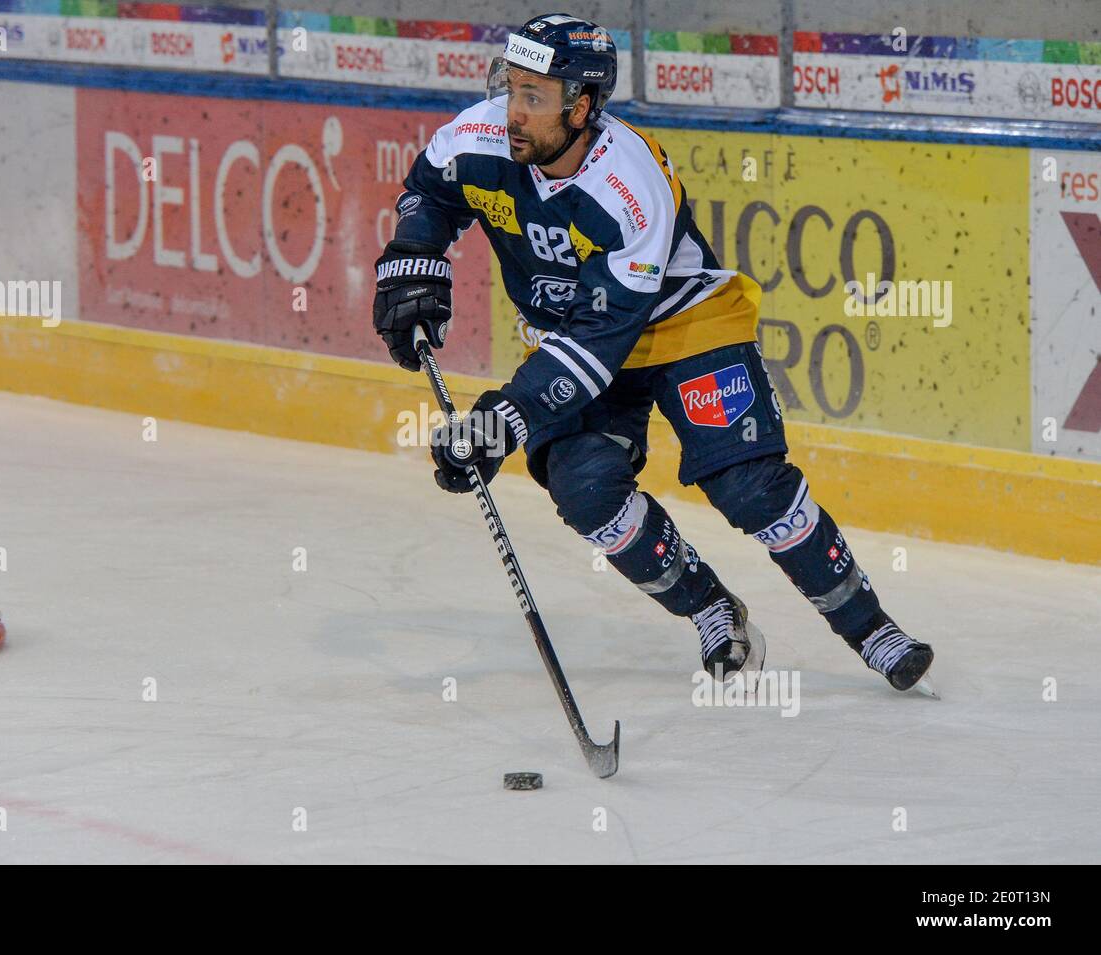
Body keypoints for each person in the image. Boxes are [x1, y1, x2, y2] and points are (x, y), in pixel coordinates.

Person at [372, 13, 934, 692]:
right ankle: (711, 609)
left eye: (534, 97)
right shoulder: (480, 135)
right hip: (573, 334)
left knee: (750, 485)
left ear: (581, 108)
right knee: (585, 491)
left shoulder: (628, 187)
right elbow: (430, 190)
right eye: (511, 86)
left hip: (683, 325)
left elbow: (598, 340)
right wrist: (413, 259)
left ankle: (870, 626)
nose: (512, 112)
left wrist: (505, 419)